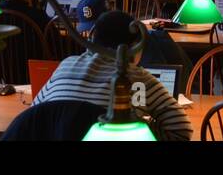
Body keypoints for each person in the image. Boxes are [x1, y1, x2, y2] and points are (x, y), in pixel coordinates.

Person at [33, 10, 192, 140]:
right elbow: (181, 130)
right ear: (135, 47)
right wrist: (140, 129)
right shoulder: (138, 79)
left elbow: (34, 114)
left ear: (92, 37)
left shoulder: (65, 65)